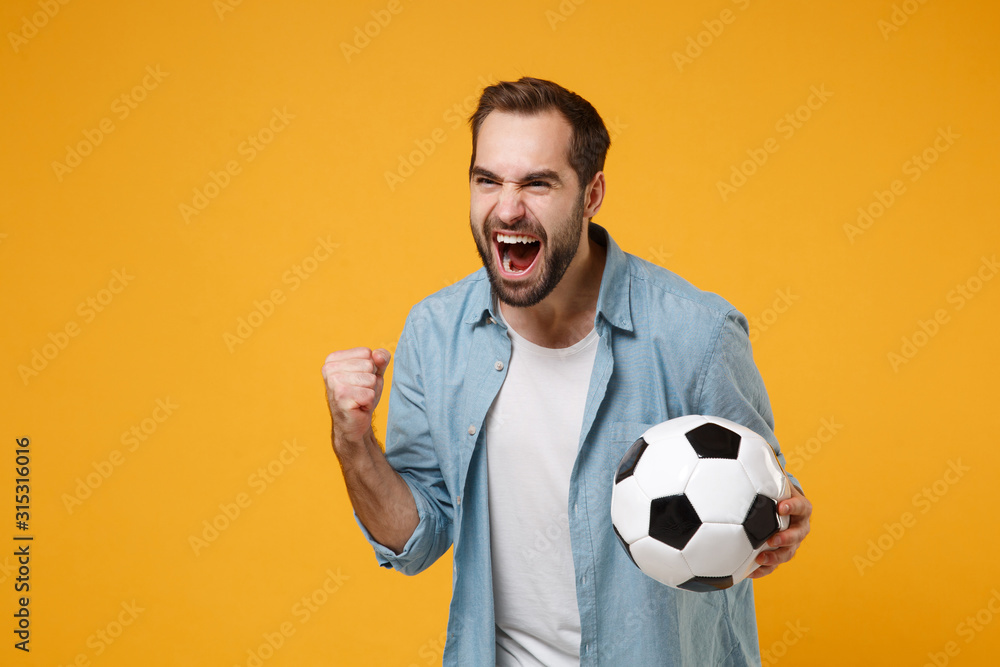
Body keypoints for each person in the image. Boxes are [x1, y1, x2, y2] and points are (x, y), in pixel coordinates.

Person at [322, 77, 812, 665]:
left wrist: (783, 517)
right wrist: (353, 444)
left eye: (538, 183)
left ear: (591, 194)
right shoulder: (435, 333)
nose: (507, 208)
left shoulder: (697, 334)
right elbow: (416, 538)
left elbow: (760, 488)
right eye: (487, 181)